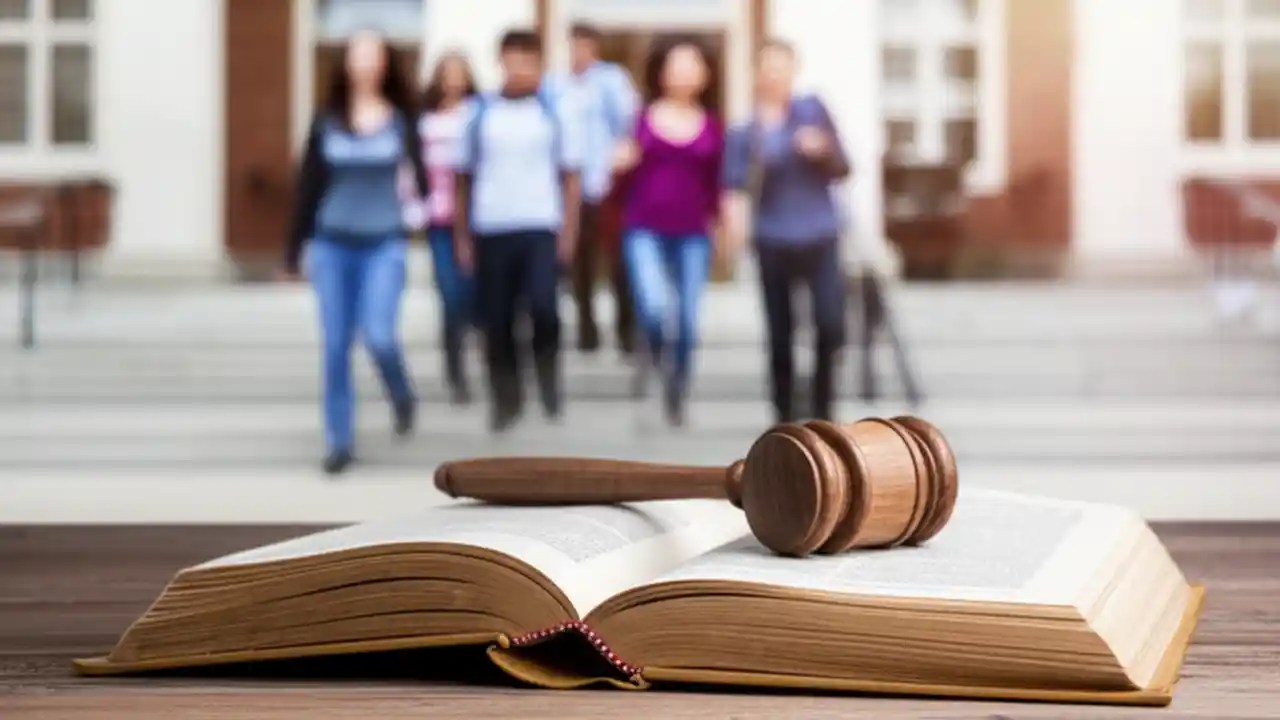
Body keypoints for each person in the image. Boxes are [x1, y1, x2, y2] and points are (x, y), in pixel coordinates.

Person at [284, 30, 429, 475]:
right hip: (332, 243)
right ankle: (339, 441)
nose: (365, 64)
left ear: (385, 64)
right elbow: (308, 187)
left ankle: (401, 394)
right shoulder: (326, 119)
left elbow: (423, 180)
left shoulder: (402, 120)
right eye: (357, 56)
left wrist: (424, 211)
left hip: (383, 243)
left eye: (373, 56)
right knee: (335, 345)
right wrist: (294, 248)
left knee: (380, 336)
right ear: (346, 64)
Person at [455, 29, 583, 432]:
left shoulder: (554, 111)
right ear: (501, 61)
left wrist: (569, 231)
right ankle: (505, 396)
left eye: (528, 60)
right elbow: (462, 179)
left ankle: (547, 375)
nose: (520, 68)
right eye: (513, 59)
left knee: (544, 306)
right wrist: (462, 237)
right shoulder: (479, 112)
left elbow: (571, 177)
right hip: (493, 225)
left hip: (540, 223)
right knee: (497, 318)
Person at [723, 39, 851, 423]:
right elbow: (734, 186)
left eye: (782, 67)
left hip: (820, 234)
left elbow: (844, 167)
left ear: (794, 71)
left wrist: (822, 150)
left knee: (830, 323)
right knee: (781, 332)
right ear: (756, 74)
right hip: (773, 239)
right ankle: (784, 414)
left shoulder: (813, 111)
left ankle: (823, 409)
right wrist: (733, 230)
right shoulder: (747, 131)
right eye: (767, 68)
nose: (774, 75)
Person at [615, 37, 730, 426]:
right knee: (653, 307)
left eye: (691, 64)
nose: (683, 73)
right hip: (644, 228)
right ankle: (650, 355)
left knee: (687, 320)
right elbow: (618, 178)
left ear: (705, 74)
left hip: (693, 233)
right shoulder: (641, 119)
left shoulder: (713, 125)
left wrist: (724, 229)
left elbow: (717, 186)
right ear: (661, 73)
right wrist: (621, 163)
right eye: (675, 65)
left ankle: (676, 388)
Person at [557, 23, 640, 354]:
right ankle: (586, 330)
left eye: (583, 45)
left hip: (608, 184)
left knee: (619, 262)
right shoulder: (559, 85)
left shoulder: (612, 80)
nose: (577, 52)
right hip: (574, 188)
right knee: (580, 264)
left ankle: (626, 330)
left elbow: (628, 124)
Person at [405, 51, 478, 405]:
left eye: (458, 72)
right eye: (447, 73)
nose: (453, 79)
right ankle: (455, 369)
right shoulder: (424, 120)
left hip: (476, 219)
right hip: (439, 218)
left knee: (473, 292)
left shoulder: (478, 114)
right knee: (449, 293)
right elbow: (412, 168)